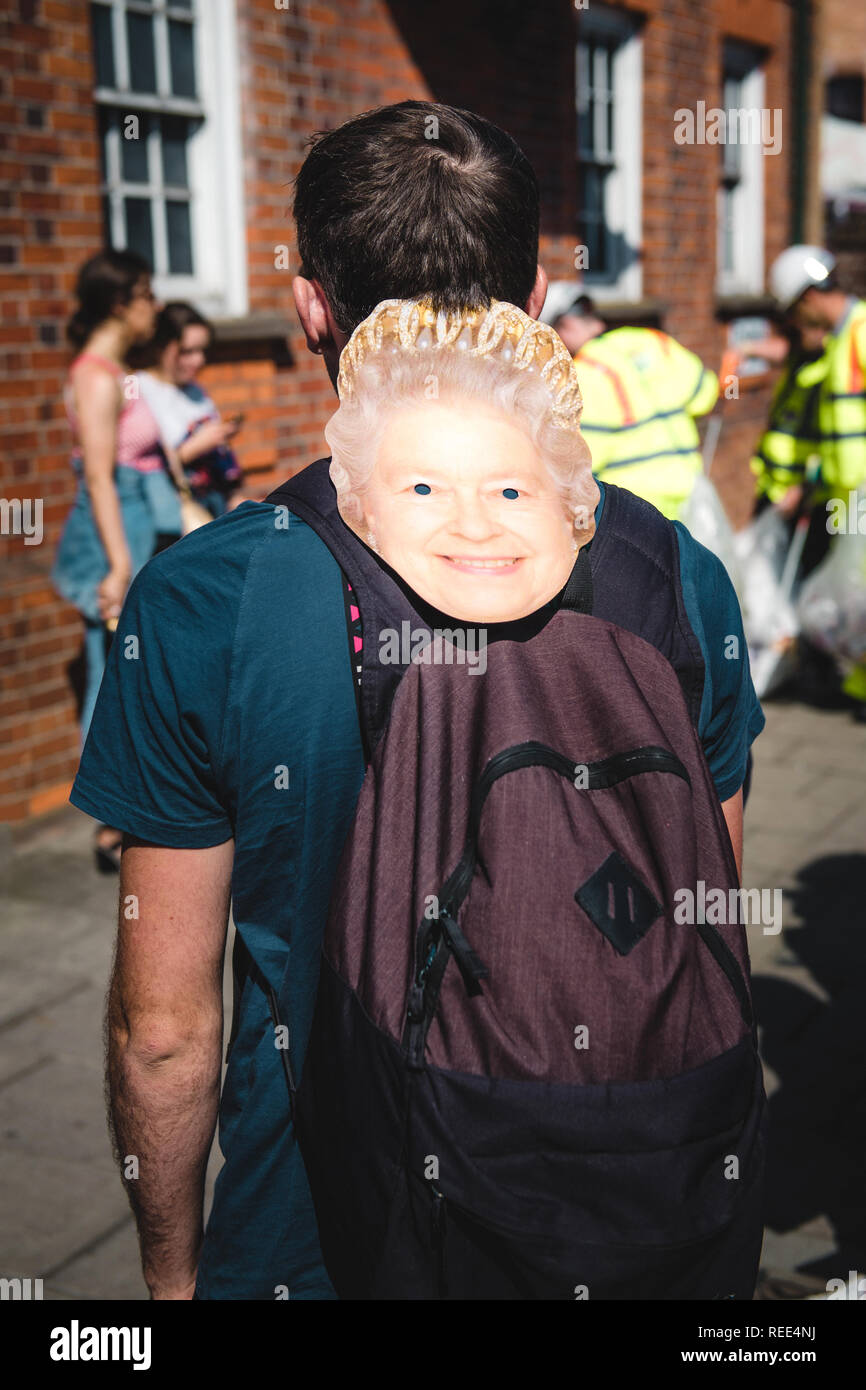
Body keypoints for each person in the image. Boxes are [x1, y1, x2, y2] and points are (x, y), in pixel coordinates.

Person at [67, 100, 763, 1301]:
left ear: (308, 313)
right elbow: (706, 917)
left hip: (320, 1238)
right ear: (536, 301)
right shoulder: (671, 574)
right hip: (624, 1216)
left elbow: (165, 1030)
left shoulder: (206, 595)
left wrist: (174, 1276)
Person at [51, 250, 183, 872]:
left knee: (138, 664)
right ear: (118, 303)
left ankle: (134, 802)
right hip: (116, 531)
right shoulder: (97, 376)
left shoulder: (118, 369)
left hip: (139, 523)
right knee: (111, 672)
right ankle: (111, 820)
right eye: (145, 295)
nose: (153, 307)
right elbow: (100, 479)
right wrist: (117, 564)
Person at [767, 245, 866, 717]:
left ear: (807, 295)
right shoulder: (844, 338)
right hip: (848, 494)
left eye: (793, 307)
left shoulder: (862, 332)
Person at [542, 291, 719, 520]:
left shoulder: (582, 374)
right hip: (690, 489)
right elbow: (705, 395)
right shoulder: (651, 340)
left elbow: (582, 461)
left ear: (563, 327)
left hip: (635, 507)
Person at [135, 302, 244, 518]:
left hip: (213, 503)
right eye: (187, 351)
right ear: (162, 346)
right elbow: (137, 467)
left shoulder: (197, 391)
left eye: (202, 350)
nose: (199, 360)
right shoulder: (140, 389)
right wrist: (193, 448)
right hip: (170, 513)